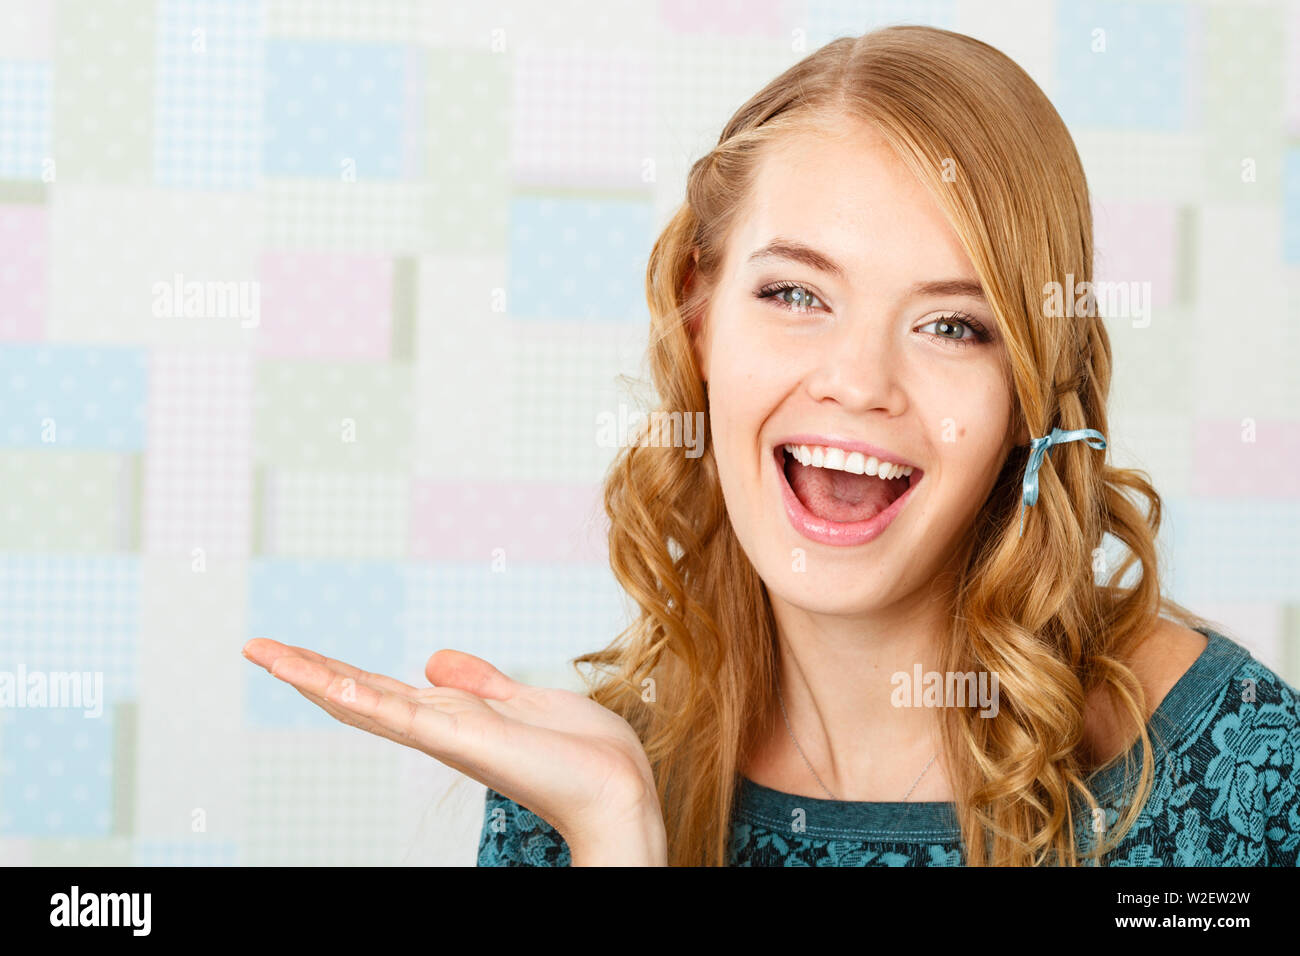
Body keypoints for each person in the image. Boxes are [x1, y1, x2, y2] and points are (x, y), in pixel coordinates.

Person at [242, 25, 1300, 867]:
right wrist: (618, 836)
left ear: (1029, 390)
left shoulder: (1241, 779)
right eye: (795, 293)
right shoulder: (567, 798)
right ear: (699, 315)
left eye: (952, 324)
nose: (857, 381)